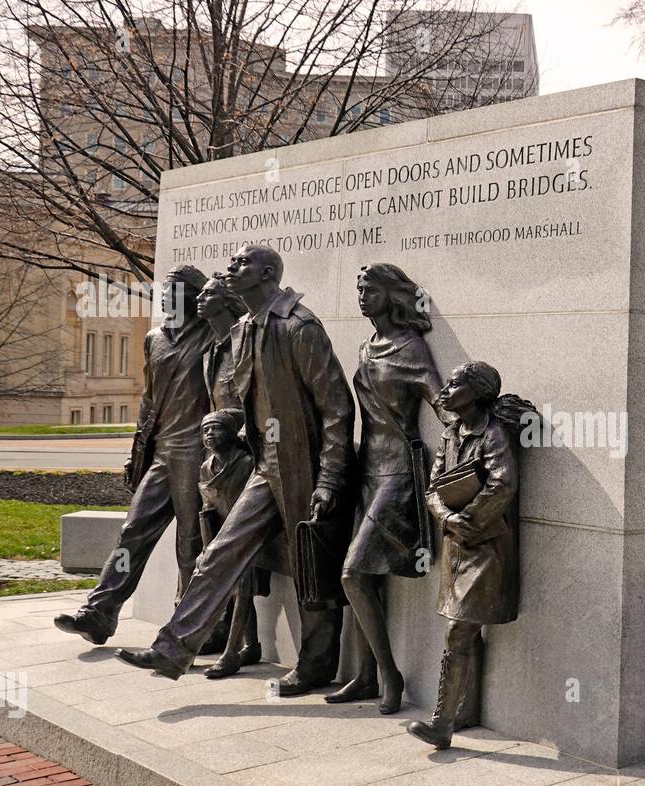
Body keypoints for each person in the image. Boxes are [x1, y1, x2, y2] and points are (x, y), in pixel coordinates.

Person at [119, 243, 356, 696]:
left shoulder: (300, 326)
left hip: (304, 465)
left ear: (267, 273)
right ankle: (174, 646)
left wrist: (328, 477)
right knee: (219, 553)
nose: (231, 267)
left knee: (310, 567)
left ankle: (316, 665)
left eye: (242, 263)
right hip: (265, 467)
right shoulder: (245, 329)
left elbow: (336, 408)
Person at [54, 265, 213, 644]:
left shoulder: (213, 336)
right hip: (161, 452)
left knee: (190, 542)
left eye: (174, 291)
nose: (164, 296)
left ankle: (187, 628)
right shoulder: (155, 338)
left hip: (196, 452)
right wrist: (137, 451)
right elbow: (148, 399)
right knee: (132, 532)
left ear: (194, 297)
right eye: (164, 290)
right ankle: (100, 613)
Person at [324, 263, 445, 715]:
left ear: (391, 296)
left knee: (353, 574)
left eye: (370, 289)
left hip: (398, 473)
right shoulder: (366, 347)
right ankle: (365, 674)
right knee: (366, 577)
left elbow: (441, 401)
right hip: (365, 471)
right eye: (358, 288)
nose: (361, 295)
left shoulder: (410, 347)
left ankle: (390, 676)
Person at [407, 361, 534, 750]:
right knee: (464, 626)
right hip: (455, 543)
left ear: (477, 392)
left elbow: (503, 484)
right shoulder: (450, 433)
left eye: (456, 384)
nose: (445, 390)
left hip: (485, 546)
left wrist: (468, 519)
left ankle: (442, 722)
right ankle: (465, 710)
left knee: (458, 628)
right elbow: (432, 488)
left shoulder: (491, 434)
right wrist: (448, 518)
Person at [195, 409, 261, 679]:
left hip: (248, 536)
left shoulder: (246, 464)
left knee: (242, 587)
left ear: (234, 434)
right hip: (221, 538)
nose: (210, 434)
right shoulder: (206, 466)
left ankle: (232, 652)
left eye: (217, 428)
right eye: (205, 430)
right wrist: (207, 547)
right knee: (235, 589)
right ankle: (252, 645)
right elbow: (207, 508)